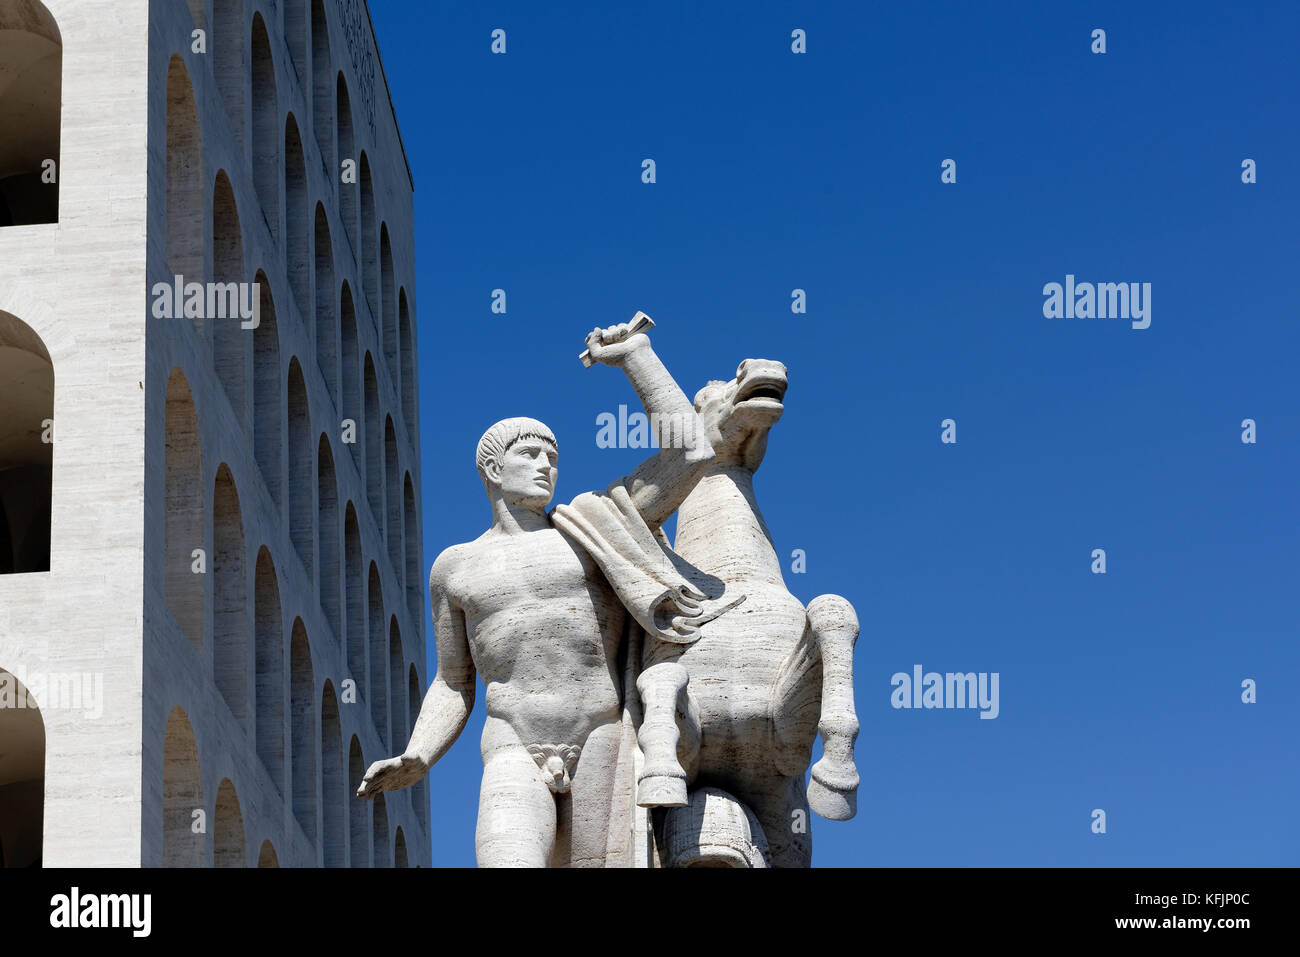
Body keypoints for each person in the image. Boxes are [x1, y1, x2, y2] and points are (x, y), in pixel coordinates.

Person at [356, 321, 717, 866]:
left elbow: (690, 452)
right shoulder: (455, 568)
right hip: (512, 743)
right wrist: (419, 754)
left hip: (601, 737)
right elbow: (454, 683)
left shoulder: (591, 527)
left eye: (552, 456)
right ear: (493, 469)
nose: (547, 464)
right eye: (530, 453)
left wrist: (636, 358)